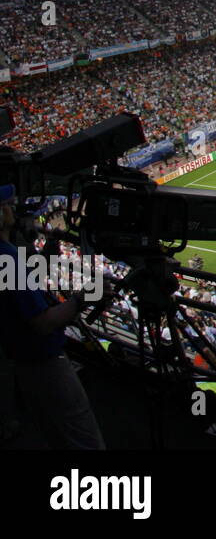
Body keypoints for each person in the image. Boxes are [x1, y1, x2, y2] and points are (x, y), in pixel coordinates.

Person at [0, 186, 105, 449]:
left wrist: (46, 255)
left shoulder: (5, 254)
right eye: (6, 205)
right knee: (81, 435)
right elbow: (43, 322)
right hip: (42, 361)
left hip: (21, 358)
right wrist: (83, 298)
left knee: (54, 431)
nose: (12, 209)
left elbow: (16, 290)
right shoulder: (6, 257)